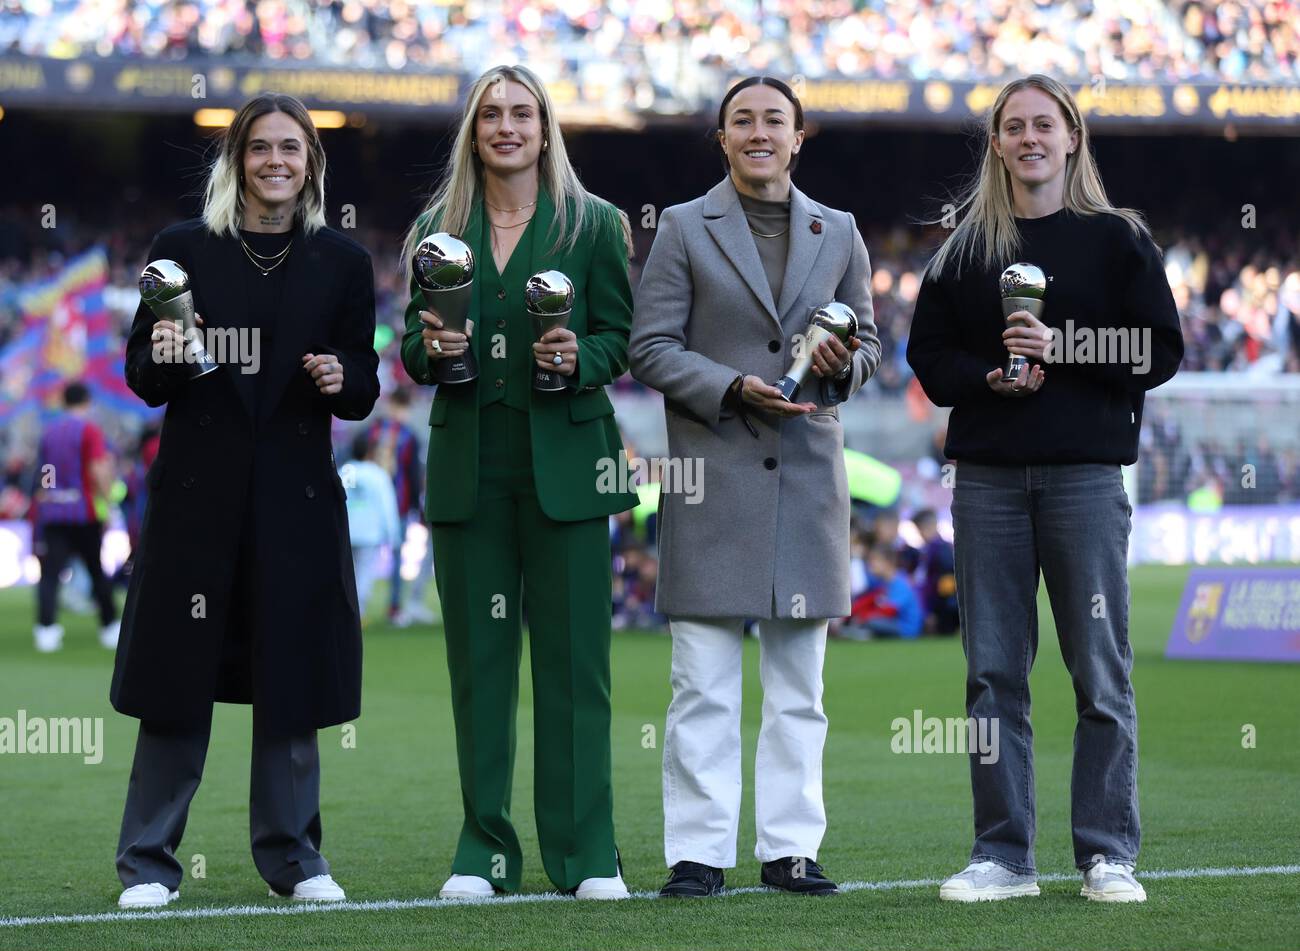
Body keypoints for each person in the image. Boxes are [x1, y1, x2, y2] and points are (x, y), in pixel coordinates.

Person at [906, 74, 1183, 904]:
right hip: (987, 481)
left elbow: (1159, 351)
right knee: (993, 673)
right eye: (1013, 126)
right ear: (997, 143)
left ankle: (1107, 852)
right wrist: (991, 376)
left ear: (1072, 139)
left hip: (1085, 479)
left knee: (1100, 671)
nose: (1029, 138)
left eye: (1044, 124)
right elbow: (929, 360)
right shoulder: (963, 249)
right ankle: (1004, 855)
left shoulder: (1117, 240)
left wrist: (1064, 347)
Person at [110, 92, 379, 909]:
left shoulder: (344, 261)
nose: (275, 161)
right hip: (199, 497)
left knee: (292, 677)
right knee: (175, 679)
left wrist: (343, 378)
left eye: (290, 149)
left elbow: (363, 383)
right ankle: (149, 863)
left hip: (294, 502)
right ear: (236, 161)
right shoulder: (181, 248)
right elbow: (142, 376)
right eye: (259, 147)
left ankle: (295, 859)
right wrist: (162, 352)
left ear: (311, 164)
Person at [628, 76, 881, 897]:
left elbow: (869, 346)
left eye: (775, 119)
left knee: (799, 688)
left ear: (799, 136)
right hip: (709, 479)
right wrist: (733, 387)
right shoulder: (680, 227)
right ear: (724, 138)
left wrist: (845, 367)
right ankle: (698, 853)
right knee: (700, 681)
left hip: (807, 482)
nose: (760, 131)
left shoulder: (839, 231)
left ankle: (791, 849)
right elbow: (651, 347)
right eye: (744, 120)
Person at [399, 65, 638, 901]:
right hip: (470, 464)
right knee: (480, 668)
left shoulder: (595, 224)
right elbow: (411, 347)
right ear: (473, 129)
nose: (506, 126)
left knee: (578, 670)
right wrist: (436, 350)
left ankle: (586, 853)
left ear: (545, 129)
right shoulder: (438, 227)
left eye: (521, 113)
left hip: (570, 467)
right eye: (491, 113)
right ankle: (484, 852)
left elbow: (621, 336)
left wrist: (581, 359)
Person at [31, 382, 120, 652]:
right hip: (83, 513)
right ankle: (109, 626)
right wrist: (109, 501)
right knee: (95, 570)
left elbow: (46, 472)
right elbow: (96, 469)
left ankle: (46, 630)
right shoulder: (89, 430)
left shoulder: (50, 432)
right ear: (86, 401)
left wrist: (49, 496)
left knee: (50, 575)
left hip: (55, 512)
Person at [364, 387, 431, 625]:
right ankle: (385, 607)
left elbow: (413, 473)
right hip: (385, 506)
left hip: (387, 506)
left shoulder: (376, 431)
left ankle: (388, 606)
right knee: (376, 557)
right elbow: (413, 474)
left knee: (380, 557)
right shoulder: (393, 433)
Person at [343, 430, 402, 623]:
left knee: (346, 575)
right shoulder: (377, 474)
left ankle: (345, 612)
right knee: (364, 574)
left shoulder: (346, 470)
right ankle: (357, 614)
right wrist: (393, 535)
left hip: (347, 530)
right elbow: (387, 506)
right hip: (370, 533)